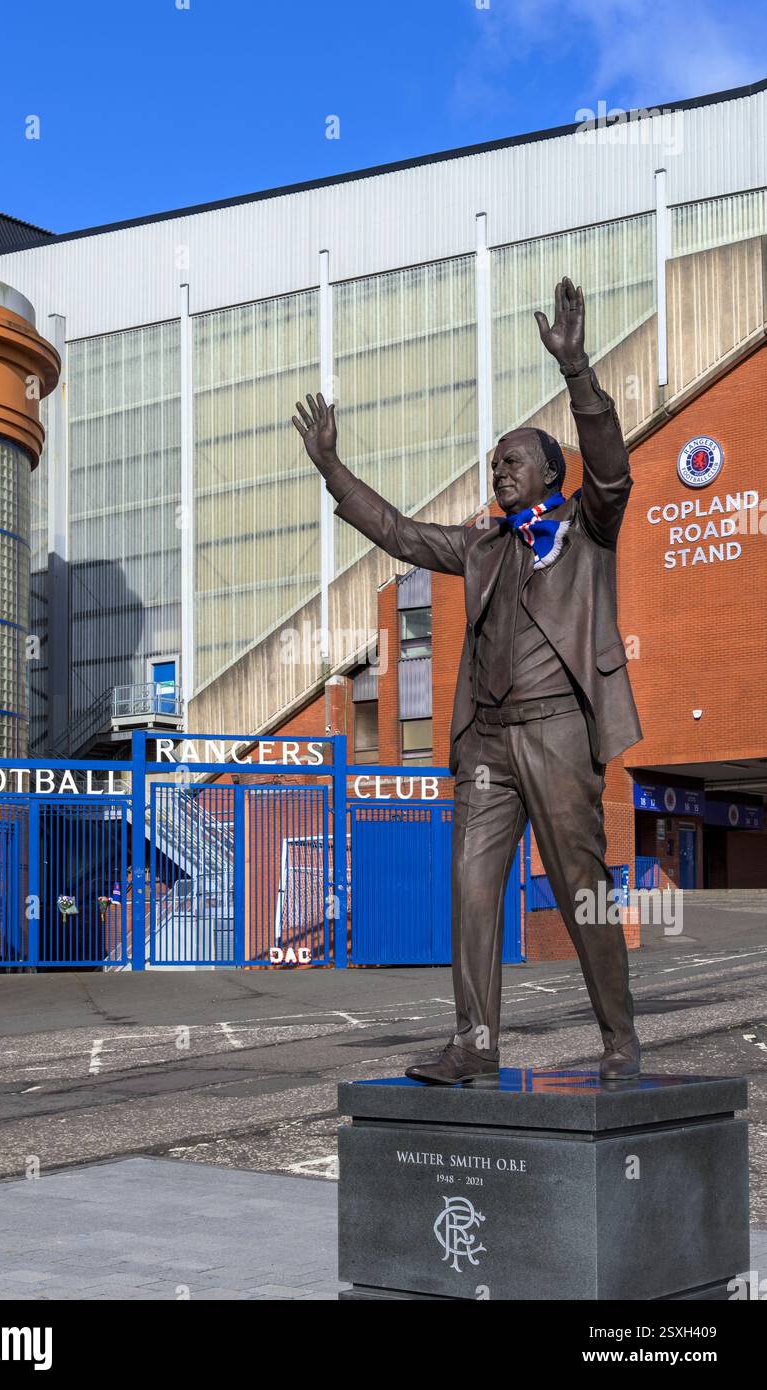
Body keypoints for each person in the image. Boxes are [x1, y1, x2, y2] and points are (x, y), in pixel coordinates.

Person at [293, 278, 642, 1083]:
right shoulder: (481, 547)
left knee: (581, 888)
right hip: (486, 740)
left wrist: (577, 371)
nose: (499, 474)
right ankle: (475, 1044)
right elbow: (401, 533)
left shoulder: (588, 528)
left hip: (558, 732)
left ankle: (619, 1038)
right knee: (473, 890)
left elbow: (615, 468)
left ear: (552, 472)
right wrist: (334, 471)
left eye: (513, 462)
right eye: (493, 466)